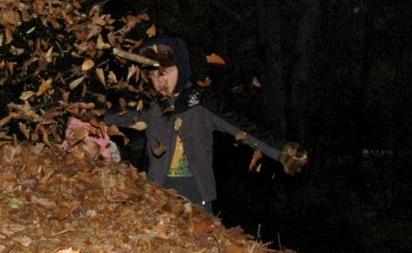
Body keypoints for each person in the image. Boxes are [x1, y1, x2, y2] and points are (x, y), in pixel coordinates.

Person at [108, 37, 304, 212]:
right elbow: (114, 116)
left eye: (165, 72)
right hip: (158, 191)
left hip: (196, 194)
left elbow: (242, 128)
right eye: (153, 75)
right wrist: (83, 112)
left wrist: (280, 151)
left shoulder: (200, 102)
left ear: (181, 67)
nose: (160, 81)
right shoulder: (151, 107)